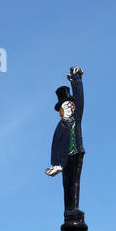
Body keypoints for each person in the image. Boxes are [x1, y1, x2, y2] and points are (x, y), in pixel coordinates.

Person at [45, 66, 84, 215]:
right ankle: (69, 209)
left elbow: (80, 99)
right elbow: (55, 145)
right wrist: (56, 164)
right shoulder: (61, 126)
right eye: (64, 106)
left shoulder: (77, 119)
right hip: (65, 158)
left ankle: (74, 207)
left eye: (69, 105)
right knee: (67, 183)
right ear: (61, 110)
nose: (68, 108)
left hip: (77, 154)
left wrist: (76, 80)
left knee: (75, 182)